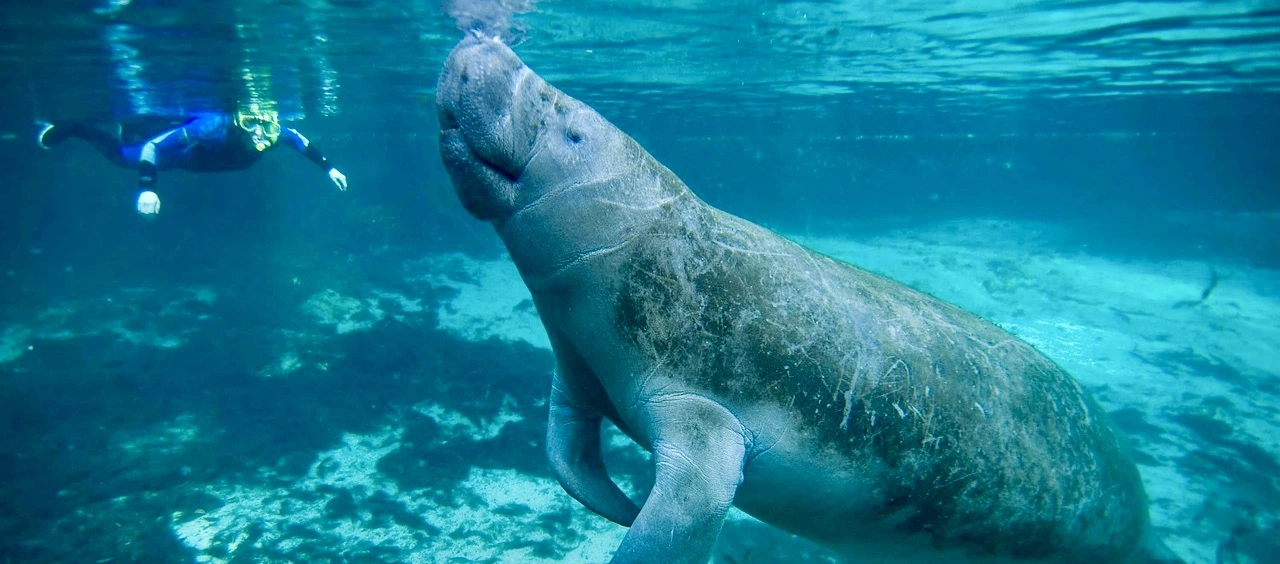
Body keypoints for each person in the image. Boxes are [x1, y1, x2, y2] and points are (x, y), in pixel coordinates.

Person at [37, 110, 348, 216]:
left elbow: (301, 142)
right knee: (122, 157)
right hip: (180, 157)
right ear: (237, 119)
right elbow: (154, 148)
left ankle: (130, 125)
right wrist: (147, 188)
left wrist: (329, 167)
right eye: (249, 121)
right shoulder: (212, 127)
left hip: (198, 163)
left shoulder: (275, 133)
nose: (259, 132)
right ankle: (75, 128)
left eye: (266, 125)